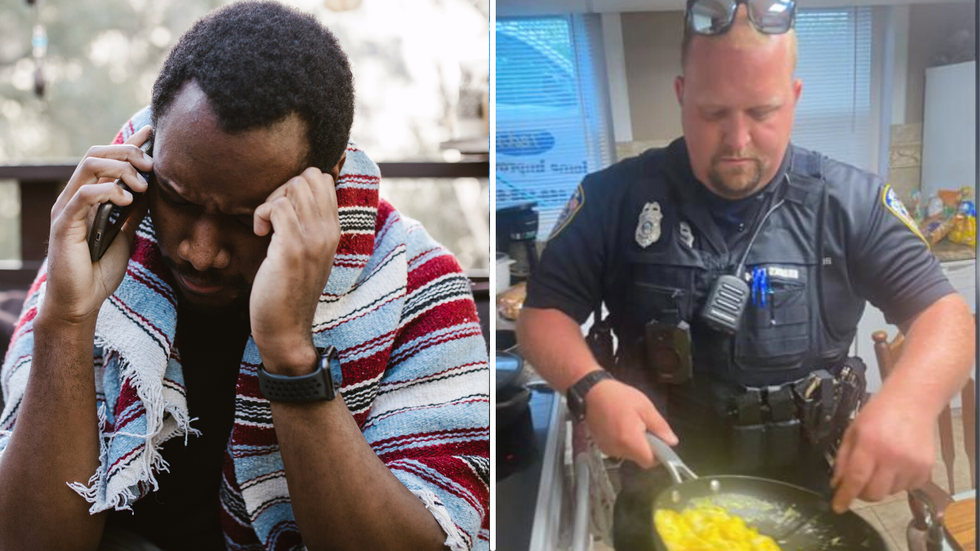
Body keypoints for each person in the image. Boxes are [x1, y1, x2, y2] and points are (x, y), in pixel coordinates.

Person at [0, 3, 489, 550]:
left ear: (321, 190)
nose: (200, 252)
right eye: (178, 199)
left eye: (243, 219)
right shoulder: (102, 240)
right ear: (149, 159)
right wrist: (67, 319)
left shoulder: (417, 291)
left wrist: (289, 353)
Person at [517, 1, 974, 549]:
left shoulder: (853, 202)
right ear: (682, 94)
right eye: (713, 113)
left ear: (796, 98)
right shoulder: (614, 199)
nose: (737, 140)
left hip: (808, 502)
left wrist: (912, 401)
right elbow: (542, 315)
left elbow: (945, 315)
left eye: (762, 112)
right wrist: (592, 386)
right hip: (661, 497)